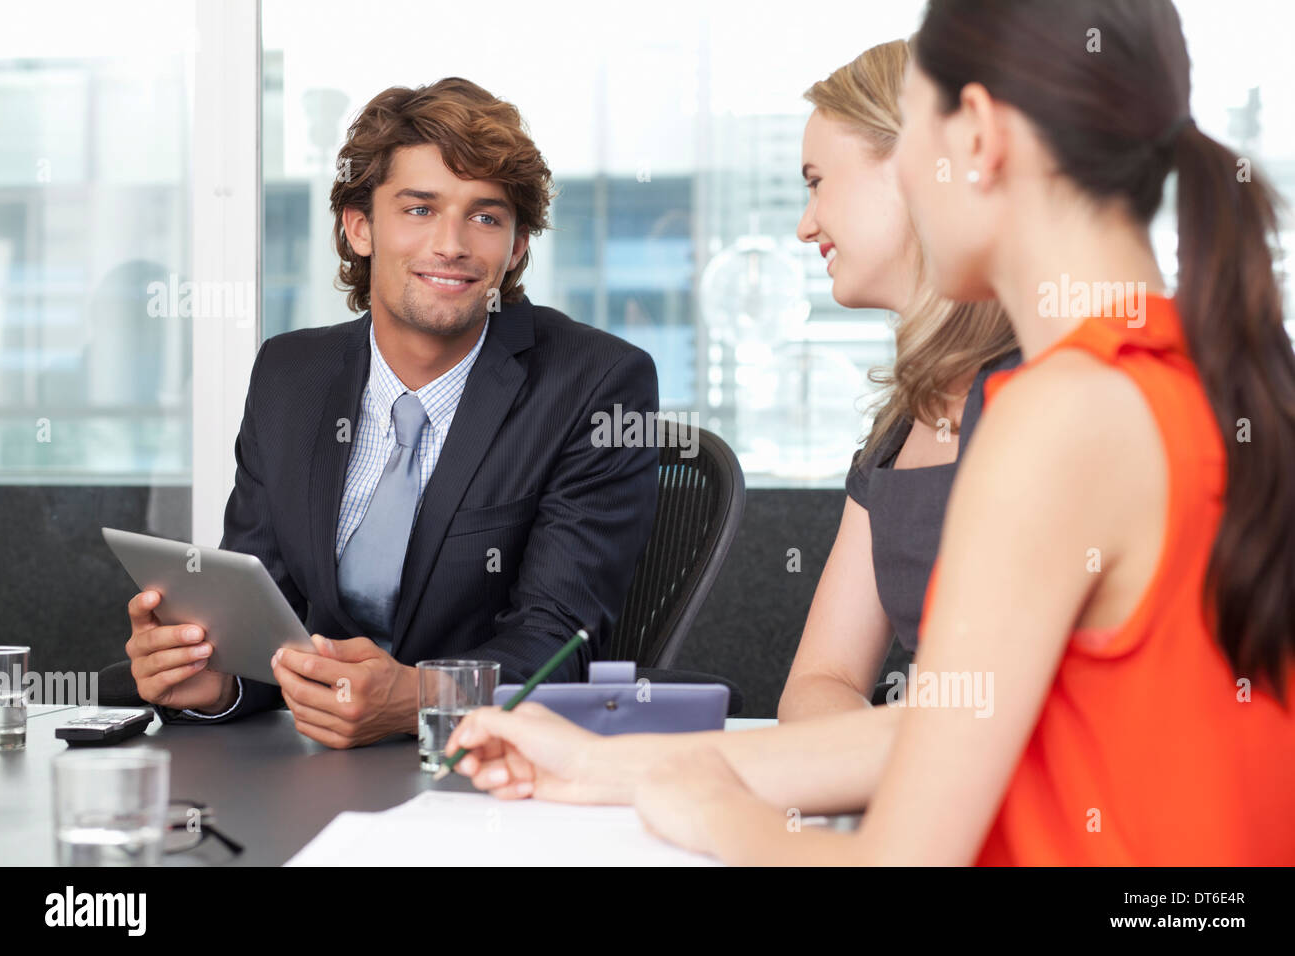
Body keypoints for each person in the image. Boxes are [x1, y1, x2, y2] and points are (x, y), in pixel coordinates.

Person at [446, 0, 1295, 865]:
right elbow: (938, 731)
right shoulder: (1183, 377)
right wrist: (605, 765)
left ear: (977, 137)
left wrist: (709, 811)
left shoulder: (1059, 415)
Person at [124, 78, 660, 748]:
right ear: (359, 227)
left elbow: (560, 643)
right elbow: (272, 619)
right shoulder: (291, 376)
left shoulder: (594, 383)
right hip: (312, 775)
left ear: (517, 247)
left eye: (486, 217)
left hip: (489, 774)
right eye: (419, 209)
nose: (452, 244)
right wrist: (218, 681)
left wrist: (419, 700)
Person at [780, 39, 1019, 720]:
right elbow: (819, 680)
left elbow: (1001, 724)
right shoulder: (899, 424)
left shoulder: (1043, 397)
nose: (806, 224)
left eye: (817, 181)